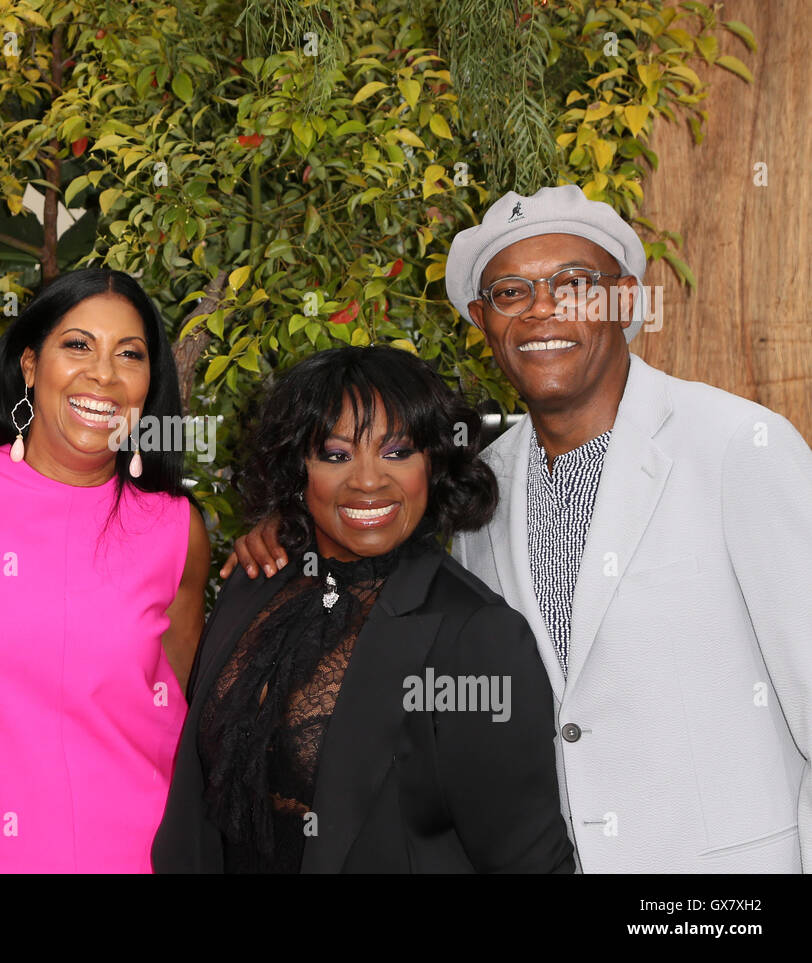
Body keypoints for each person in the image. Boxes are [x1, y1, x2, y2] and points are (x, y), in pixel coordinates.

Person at [227, 186, 812, 874]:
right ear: (483, 319)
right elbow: (379, 567)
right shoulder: (481, 488)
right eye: (511, 292)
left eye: (574, 284)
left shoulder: (737, 447)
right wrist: (288, 530)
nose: (542, 310)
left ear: (624, 300)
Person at [153, 346, 573, 873]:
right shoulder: (254, 581)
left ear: (434, 465)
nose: (369, 480)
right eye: (335, 454)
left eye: (397, 452)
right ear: (298, 468)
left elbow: (528, 860)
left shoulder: (475, 635)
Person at [0, 267, 210, 873]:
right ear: (30, 366)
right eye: (78, 345)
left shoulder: (175, 530)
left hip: (135, 857)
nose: (103, 374)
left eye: (129, 355)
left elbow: (190, 706)